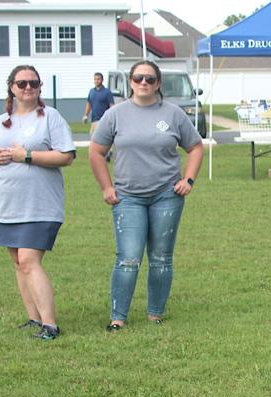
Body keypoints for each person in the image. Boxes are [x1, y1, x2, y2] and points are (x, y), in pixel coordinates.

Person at [89, 60, 203, 332]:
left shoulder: (173, 114)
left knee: (161, 257)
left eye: (150, 79)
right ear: (130, 82)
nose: (144, 83)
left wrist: (188, 180)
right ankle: (118, 317)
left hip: (167, 195)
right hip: (128, 197)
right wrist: (106, 187)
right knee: (128, 257)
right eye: (139, 78)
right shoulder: (115, 115)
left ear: (158, 84)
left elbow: (196, 147)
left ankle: (155, 314)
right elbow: (95, 152)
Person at [0, 65, 75, 341]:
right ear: (12, 87)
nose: (28, 88)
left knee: (28, 260)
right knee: (17, 261)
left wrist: (27, 156)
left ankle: (50, 325)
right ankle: (33, 318)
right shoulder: (1, 121)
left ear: (40, 87)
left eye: (33, 83)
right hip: (8, 204)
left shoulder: (50, 117)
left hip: (41, 204)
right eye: (22, 83)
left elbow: (66, 156)